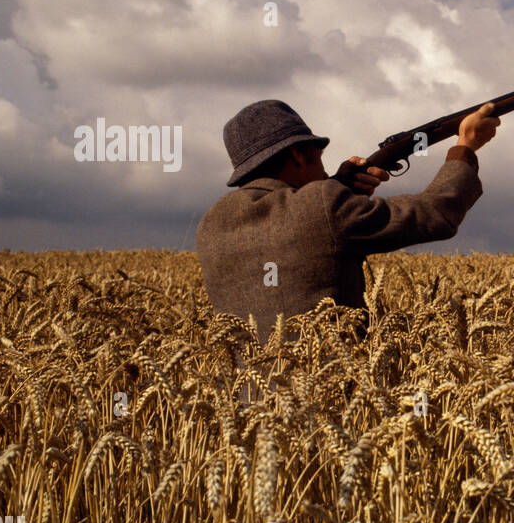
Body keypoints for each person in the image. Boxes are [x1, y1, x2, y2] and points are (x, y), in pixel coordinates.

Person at [196, 98, 498, 344]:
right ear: (299, 156)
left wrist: (340, 186)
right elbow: (438, 213)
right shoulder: (323, 205)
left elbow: (296, 226)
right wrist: (465, 147)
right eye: (319, 153)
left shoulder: (211, 224)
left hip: (247, 412)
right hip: (335, 405)